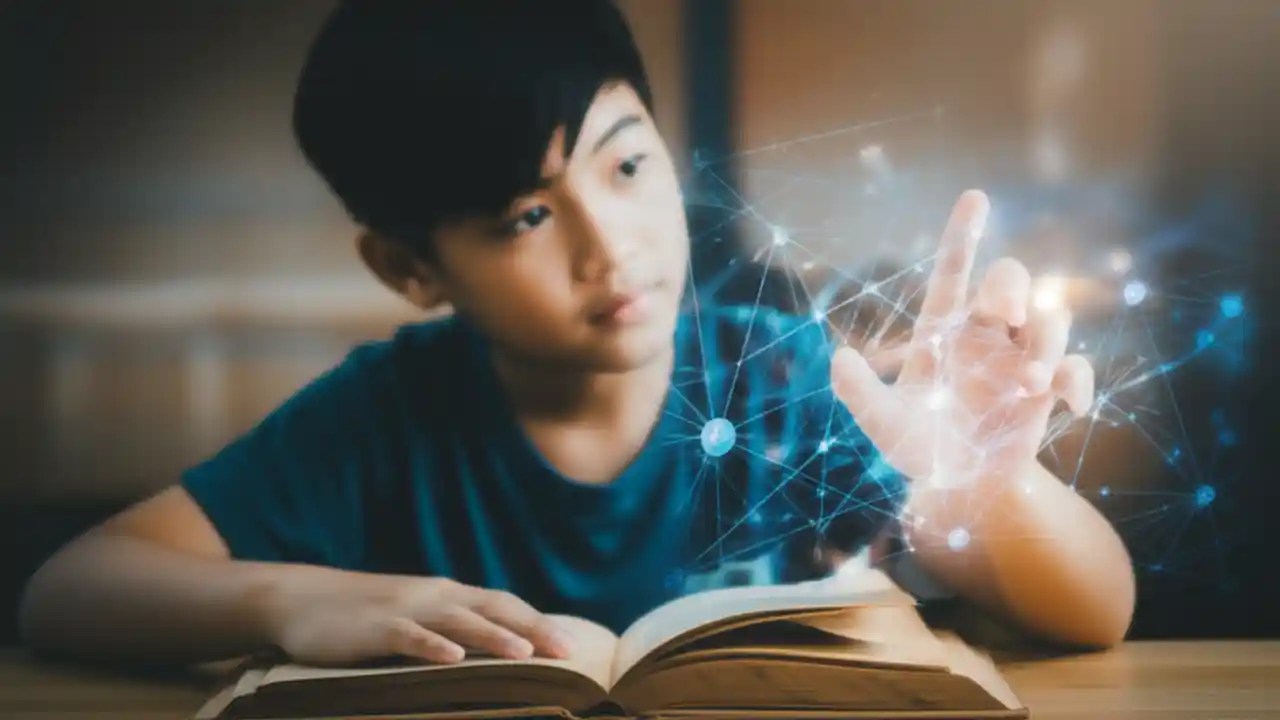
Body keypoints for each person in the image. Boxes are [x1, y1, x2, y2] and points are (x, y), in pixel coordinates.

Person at [18, 0, 1134, 667]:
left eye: (629, 163)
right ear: (410, 267)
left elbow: (1095, 615)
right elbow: (68, 588)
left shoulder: (786, 382)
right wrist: (295, 599)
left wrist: (990, 489)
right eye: (526, 216)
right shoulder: (384, 420)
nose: (611, 247)